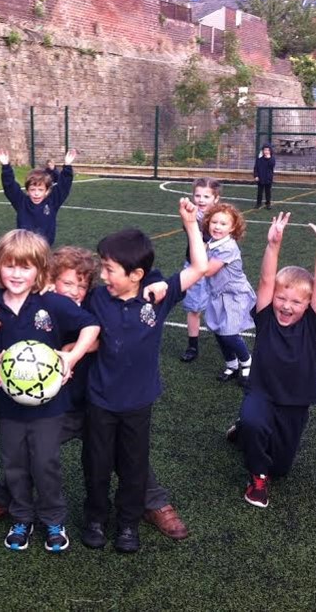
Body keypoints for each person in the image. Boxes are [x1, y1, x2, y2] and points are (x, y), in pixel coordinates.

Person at [0, 246, 190, 541]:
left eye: (82, 285)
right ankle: (4, 496)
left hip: (98, 403)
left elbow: (128, 289)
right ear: (49, 278)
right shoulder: (39, 303)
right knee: (29, 451)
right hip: (54, 407)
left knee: (125, 453)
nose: (75, 291)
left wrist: (156, 277)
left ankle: (154, 503)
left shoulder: (93, 303)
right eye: (67, 283)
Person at [81, 198, 207, 554]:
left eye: (109, 269)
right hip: (100, 400)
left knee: (134, 468)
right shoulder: (97, 299)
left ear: (135, 275)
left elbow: (199, 266)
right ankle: (94, 518)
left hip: (138, 402)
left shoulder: (157, 298)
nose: (103, 276)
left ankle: (127, 524)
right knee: (97, 465)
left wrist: (190, 224)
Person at [0, 230, 100, 553]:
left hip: (49, 409)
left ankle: (53, 519)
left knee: (46, 463)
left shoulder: (52, 303)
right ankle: (21, 517)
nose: (17, 274)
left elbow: (92, 326)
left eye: (26, 267)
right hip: (9, 407)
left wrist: (71, 356)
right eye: (10, 266)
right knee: (14, 464)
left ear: (41, 271)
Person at [229, 209, 316, 508]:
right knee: (255, 423)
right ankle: (257, 477)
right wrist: (273, 244)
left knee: (282, 467)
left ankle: (243, 433)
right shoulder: (265, 318)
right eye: (281, 298)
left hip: (296, 397)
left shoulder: (312, 324)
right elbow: (265, 280)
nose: (286, 306)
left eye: (296, 301)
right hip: (261, 390)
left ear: (307, 303)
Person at [203, 203, 256, 386]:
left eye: (223, 224)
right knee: (218, 332)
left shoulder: (228, 247)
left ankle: (247, 362)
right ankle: (231, 365)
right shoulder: (211, 242)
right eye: (214, 222)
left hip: (234, 295)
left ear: (232, 227)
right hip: (218, 294)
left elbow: (207, 270)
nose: (217, 226)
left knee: (229, 333)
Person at [180, 177, 221, 363]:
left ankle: (228, 343)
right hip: (195, 266)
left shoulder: (221, 218)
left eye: (206, 196)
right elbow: (193, 234)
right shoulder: (192, 215)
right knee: (194, 308)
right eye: (198, 195)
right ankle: (192, 345)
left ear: (216, 199)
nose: (201, 200)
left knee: (220, 306)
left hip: (218, 267)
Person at [0, 148, 76, 246]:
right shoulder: (21, 202)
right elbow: (9, 186)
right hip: (24, 247)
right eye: (33, 189)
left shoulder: (52, 202)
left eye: (40, 190)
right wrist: (6, 166)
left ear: (47, 191)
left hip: (44, 247)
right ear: (27, 190)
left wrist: (67, 166)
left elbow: (64, 186)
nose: (36, 193)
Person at [253, 144, 275, 210]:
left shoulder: (272, 158)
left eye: (268, 150)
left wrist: (269, 159)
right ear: (263, 151)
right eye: (265, 150)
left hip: (268, 178)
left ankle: (268, 204)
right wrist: (256, 175)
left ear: (270, 151)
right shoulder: (259, 159)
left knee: (268, 192)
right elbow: (255, 168)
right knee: (260, 192)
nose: (266, 151)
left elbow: (272, 165)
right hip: (260, 178)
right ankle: (258, 204)